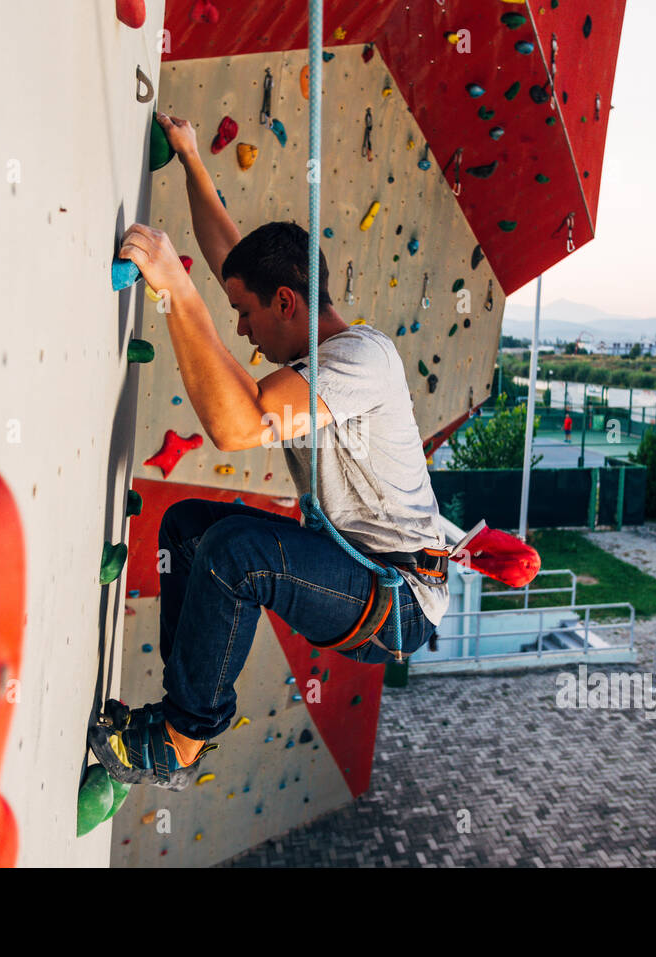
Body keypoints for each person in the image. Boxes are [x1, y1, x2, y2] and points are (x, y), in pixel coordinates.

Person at [91, 112, 450, 790]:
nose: (247, 337)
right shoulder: (309, 337)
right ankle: (181, 717)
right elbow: (233, 258)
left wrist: (175, 287)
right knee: (189, 529)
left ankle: (180, 739)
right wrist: (194, 161)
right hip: (361, 569)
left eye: (248, 318)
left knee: (235, 555)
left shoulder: (363, 358)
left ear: (287, 300)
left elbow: (240, 423)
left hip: (399, 597)